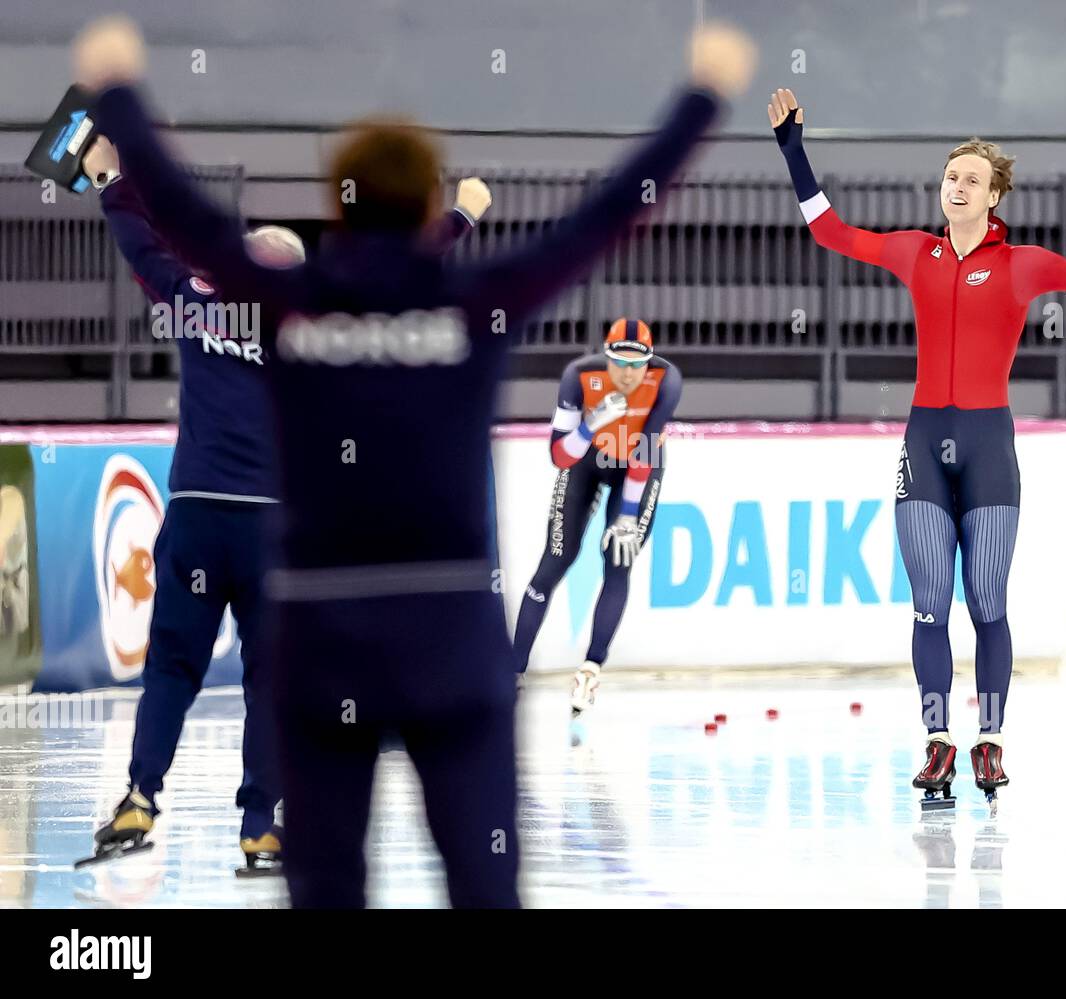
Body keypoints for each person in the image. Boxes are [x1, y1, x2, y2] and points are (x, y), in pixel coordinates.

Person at [73, 13, 755, 906]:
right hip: (450, 636)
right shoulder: (475, 299)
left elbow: (179, 220)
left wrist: (118, 93)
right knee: (482, 881)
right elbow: (604, 217)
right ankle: (264, 819)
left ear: (336, 199)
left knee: (328, 887)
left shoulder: (281, 301)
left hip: (324, 634)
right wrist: (701, 101)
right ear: (429, 210)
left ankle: (165, 797)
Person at [77, 137, 489, 875]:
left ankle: (141, 792)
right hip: (274, 526)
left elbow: (139, 242)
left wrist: (110, 173)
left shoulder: (197, 302)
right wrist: (461, 213)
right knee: (270, 678)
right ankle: (261, 823)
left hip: (198, 513)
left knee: (172, 667)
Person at [768, 87, 1066, 810]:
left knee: (988, 601)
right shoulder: (918, 252)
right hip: (923, 441)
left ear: (996, 193)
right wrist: (794, 149)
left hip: (988, 446)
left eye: (972, 177)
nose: (957, 184)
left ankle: (991, 739)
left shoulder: (1021, 265)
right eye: (951, 175)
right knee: (929, 604)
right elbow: (830, 232)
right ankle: (938, 738)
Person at [512, 318, 681, 714]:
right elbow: (559, 457)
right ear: (605, 360)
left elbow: (646, 451)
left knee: (619, 560)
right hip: (586, 461)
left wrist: (626, 515)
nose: (626, 373)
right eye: (618, 363)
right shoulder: (578, 376)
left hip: (637, 465)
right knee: (554, 563)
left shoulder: (666, 380)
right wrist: (590, 426)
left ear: (649, 362)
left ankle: (590, 669)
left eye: (636, 365)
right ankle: (512, 671)